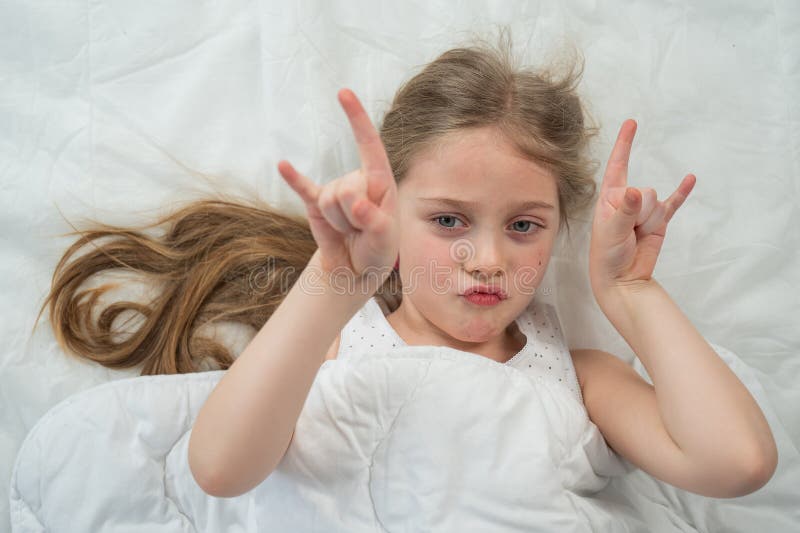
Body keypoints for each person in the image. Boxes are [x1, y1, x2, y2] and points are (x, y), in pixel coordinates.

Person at [37, 30, 777, 502]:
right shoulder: (345, 343)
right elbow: (220, 469)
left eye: (524, 225)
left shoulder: (579, 375)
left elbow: (738, 461)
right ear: (390, 211)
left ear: (559, 230)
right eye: (448, 220)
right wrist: (332, 286)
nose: (485, 259)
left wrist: (632, 291)